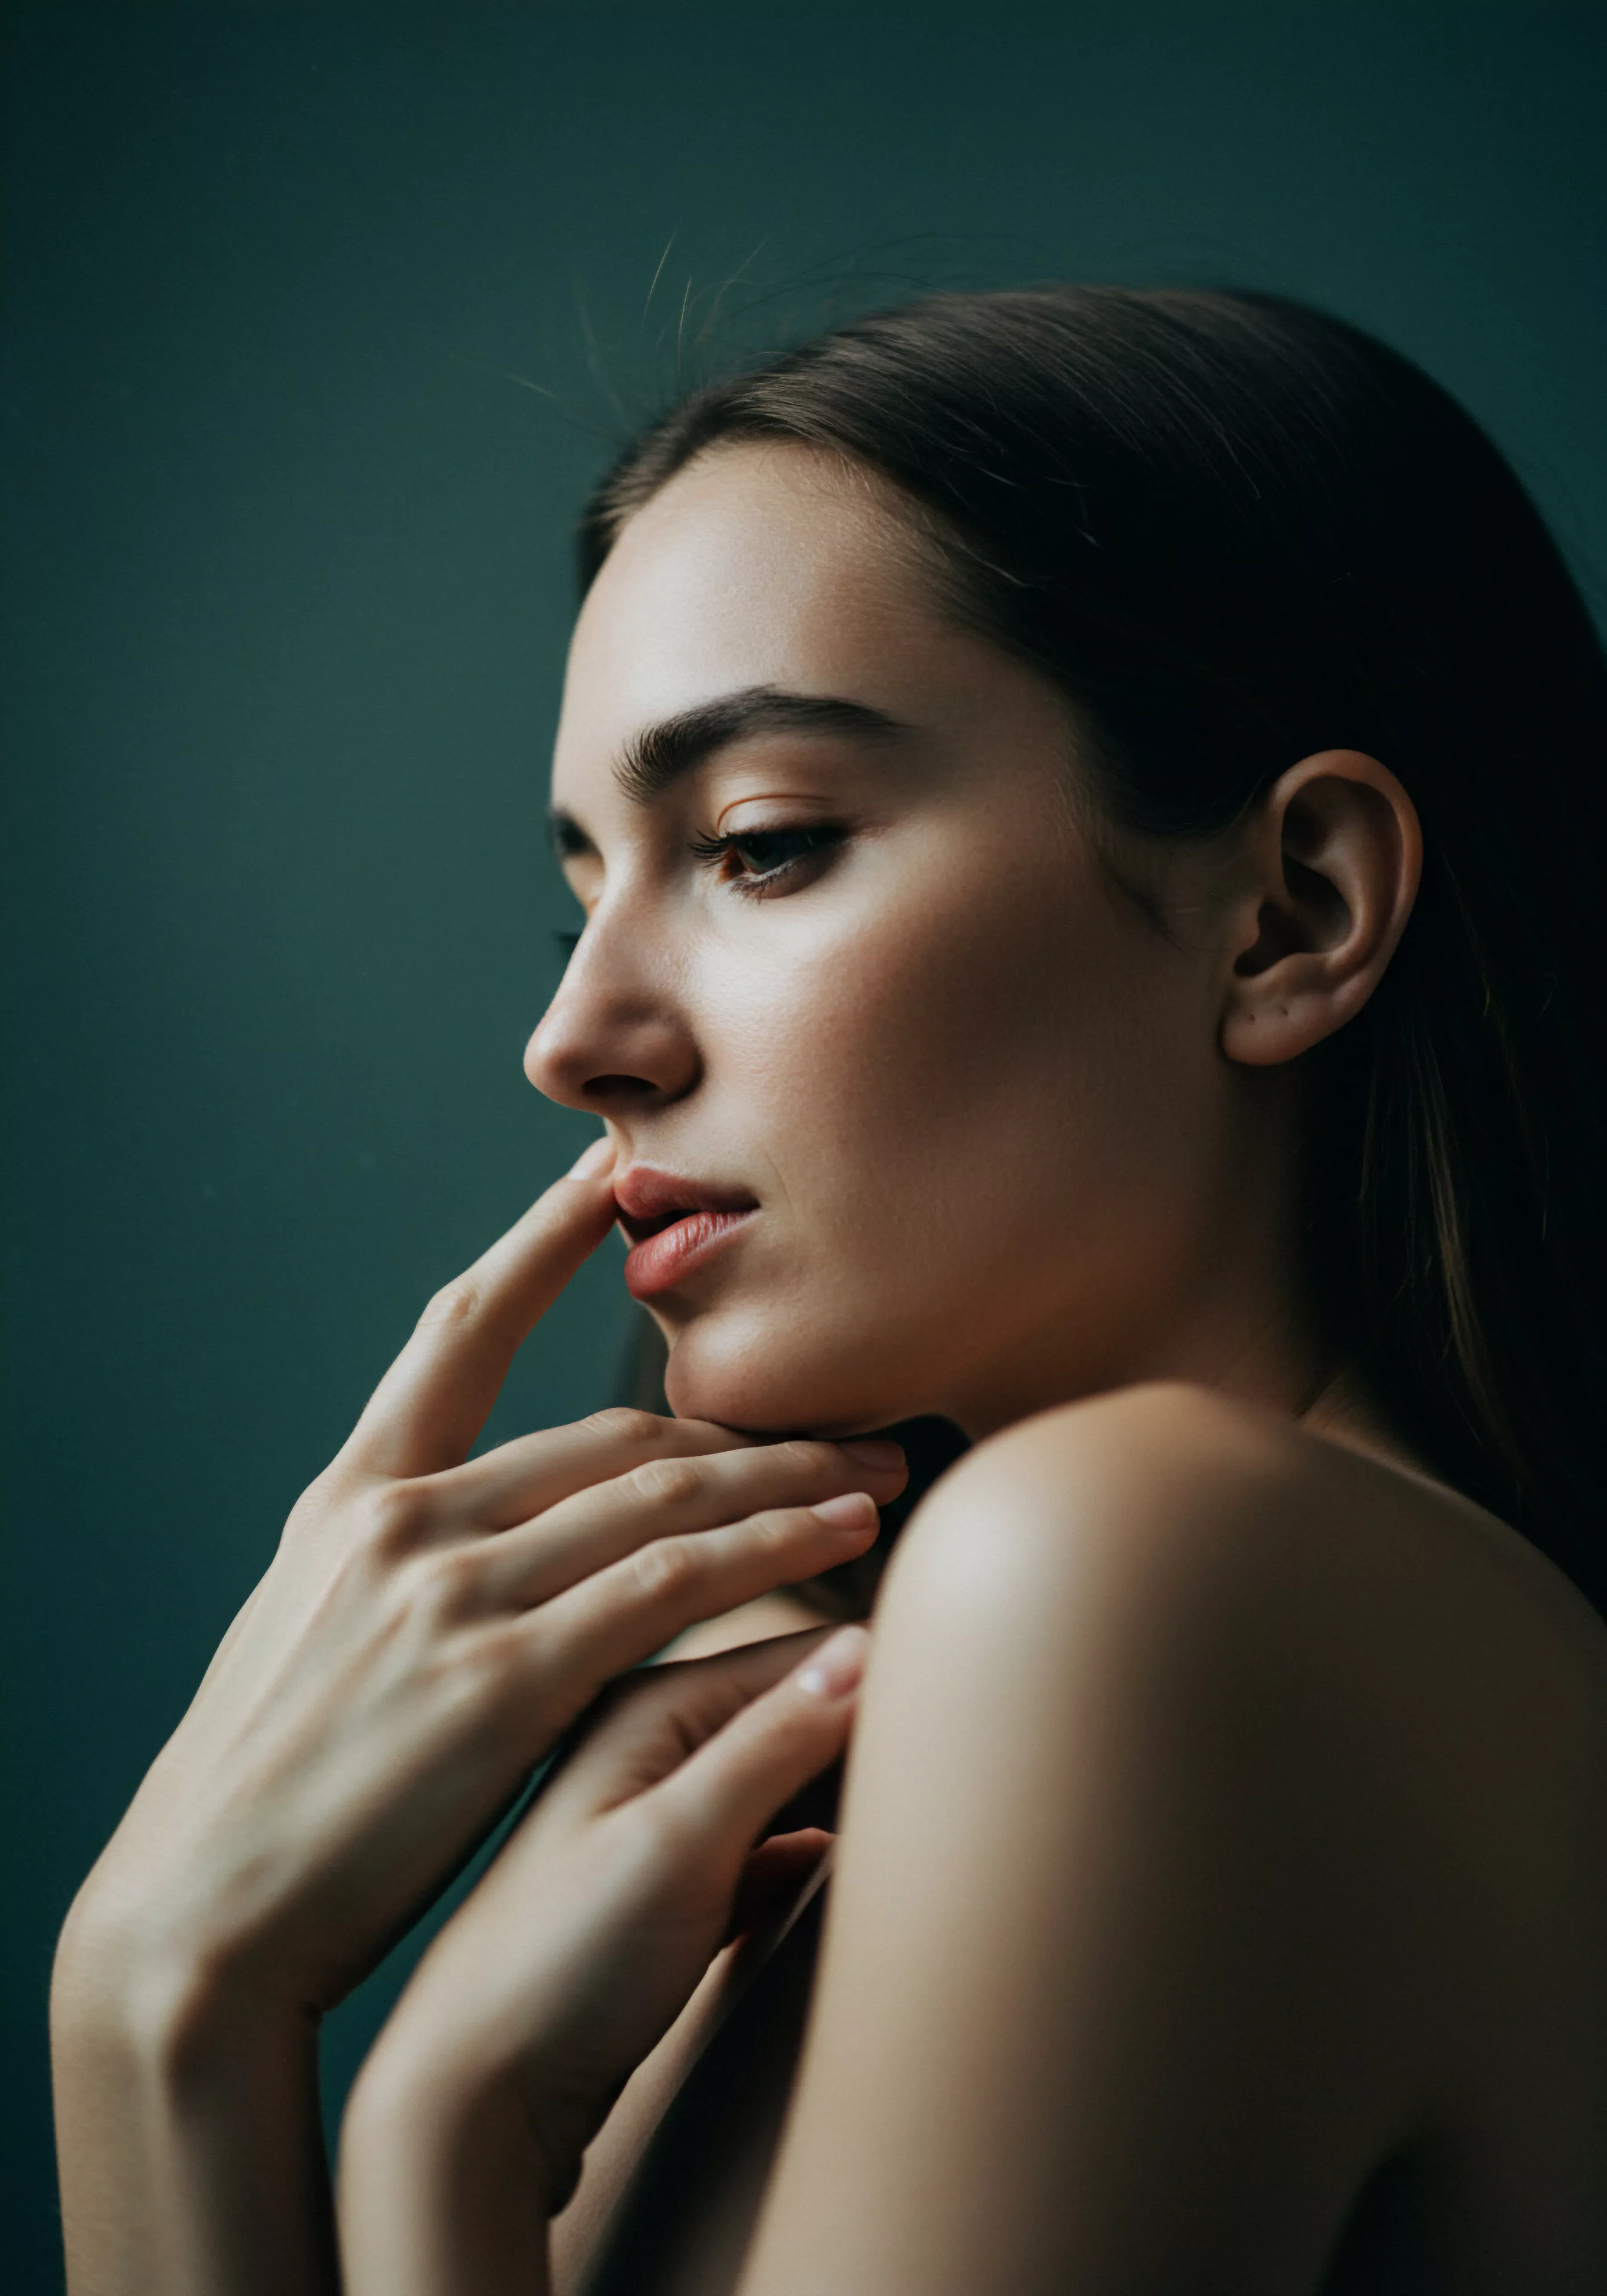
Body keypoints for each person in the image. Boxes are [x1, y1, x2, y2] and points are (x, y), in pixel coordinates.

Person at [51, 286, 1607, 2295]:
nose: (573, 1032)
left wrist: (200, 2048)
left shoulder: (1143, 1576)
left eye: (763, 845)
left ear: (1293, 909)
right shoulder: (788, 1797)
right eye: (579, 889)